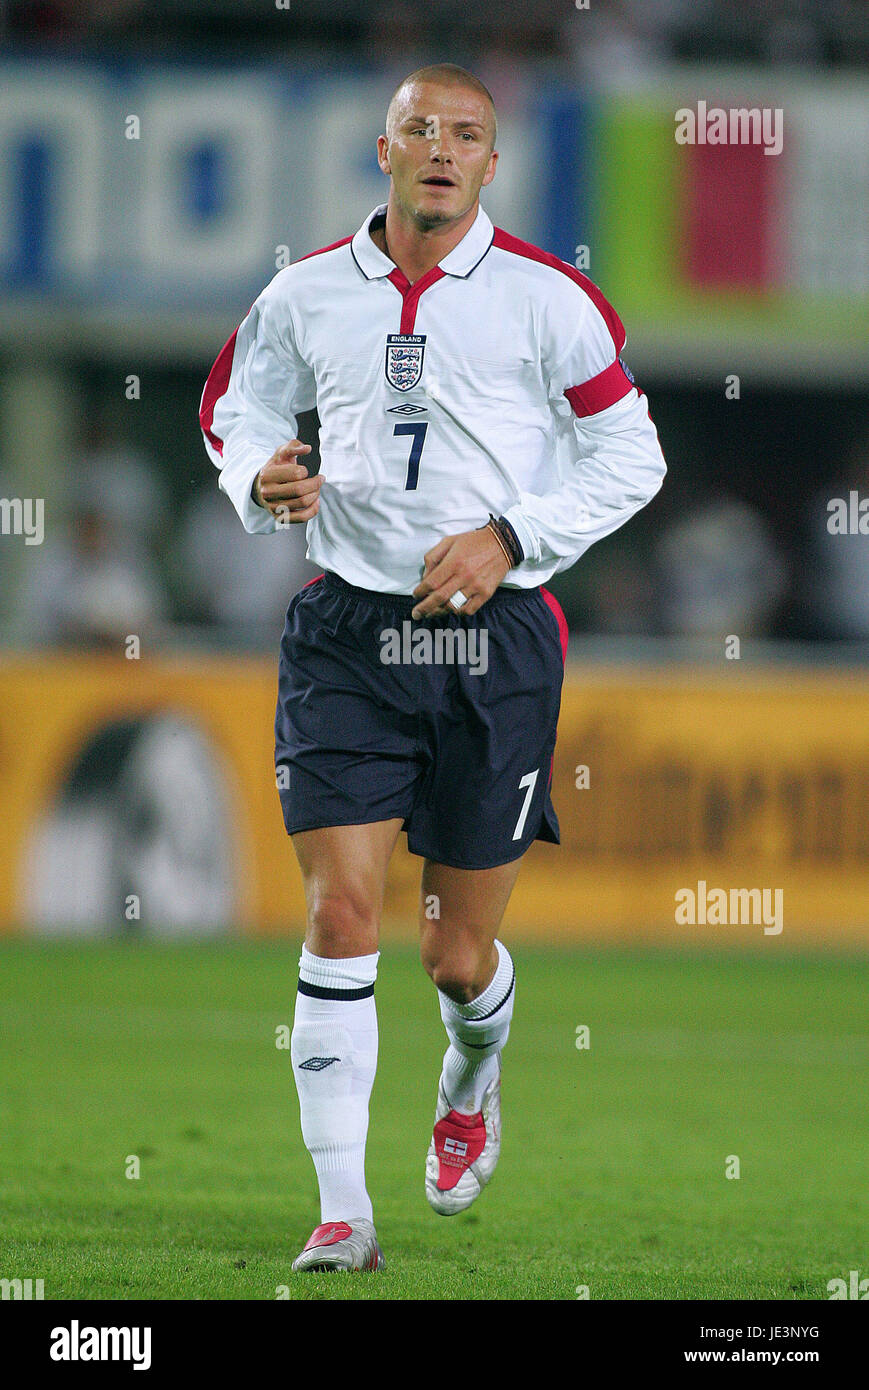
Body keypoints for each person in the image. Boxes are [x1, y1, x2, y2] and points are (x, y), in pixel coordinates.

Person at [199, 62, 666, 1273]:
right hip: (349, 636)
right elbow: (231, 409)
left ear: (492, 164)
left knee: (452, 954)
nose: (442, 149)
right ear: (383, 148)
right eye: (421, 129)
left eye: (466, 133)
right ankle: (344, 1212)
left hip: (491, 642)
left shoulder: (548, 299)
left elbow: (631, 458)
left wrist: (511, 538)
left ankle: (470, 1070)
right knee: (340, 910)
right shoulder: (303, 293)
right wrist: (258, 474)